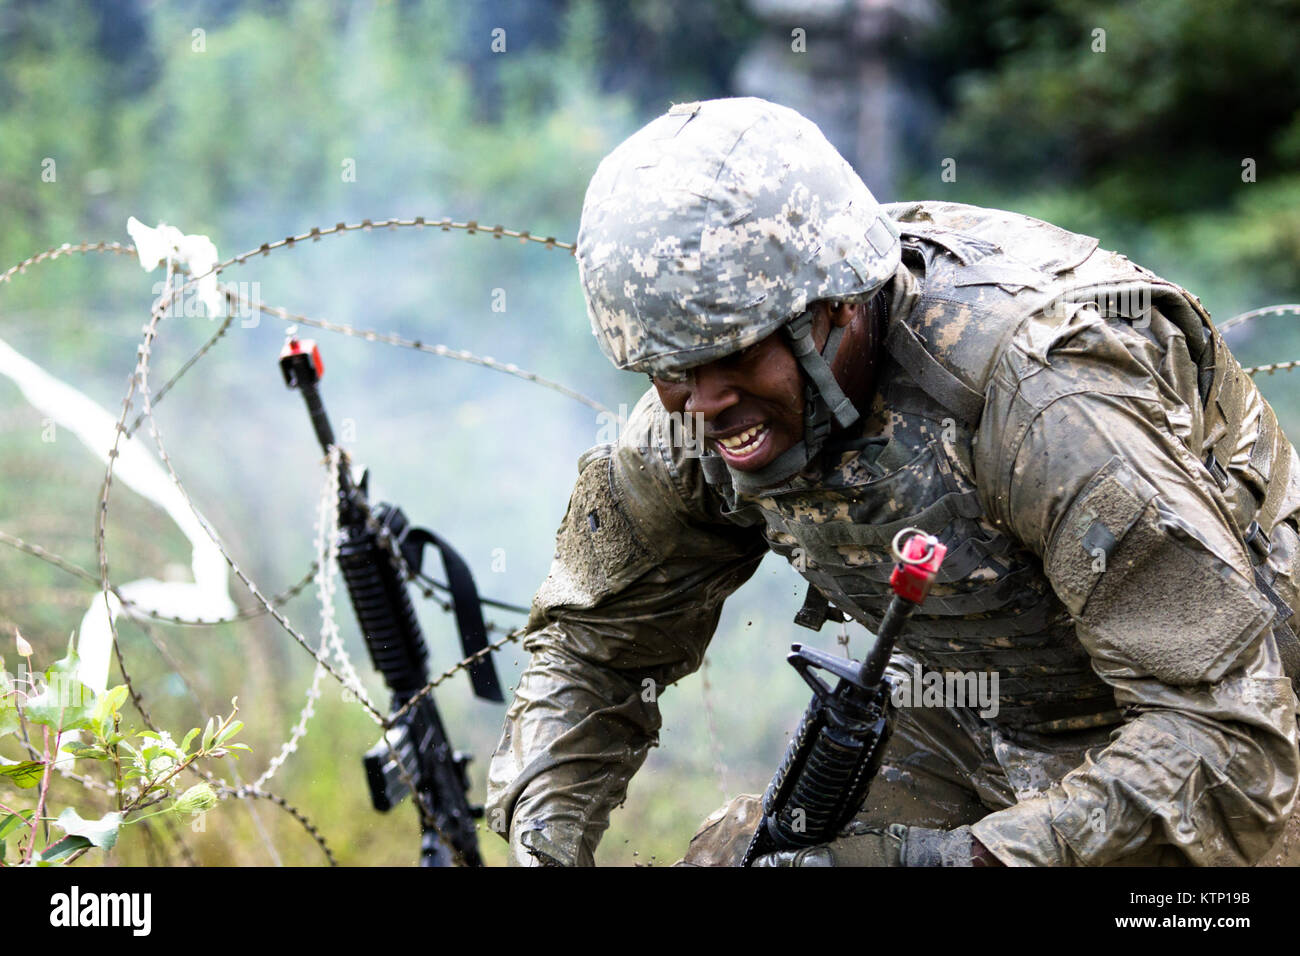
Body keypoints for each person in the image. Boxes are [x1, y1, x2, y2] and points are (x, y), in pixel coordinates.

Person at [484, 96, 1300, 866]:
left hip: (1232, 736)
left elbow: (1231, 740)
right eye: (667, 367)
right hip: (972, 709)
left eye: (729, 355)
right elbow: (594, 646)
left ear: (834, 308)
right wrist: (545, 836)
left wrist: (962, 860)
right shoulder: (700, 417)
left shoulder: (1041, 401)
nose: (701, 404)